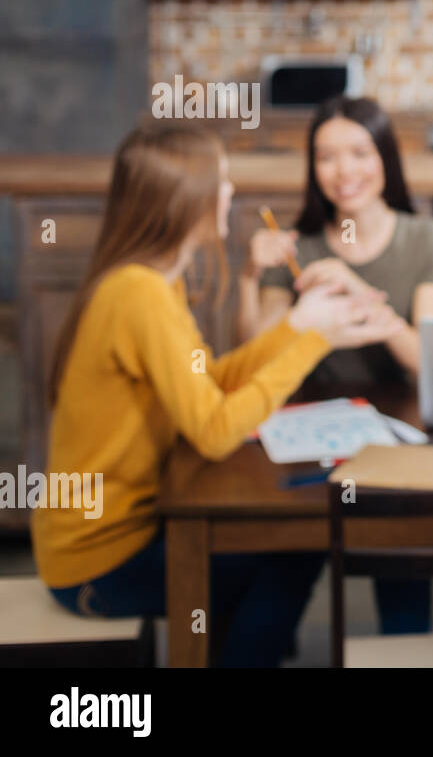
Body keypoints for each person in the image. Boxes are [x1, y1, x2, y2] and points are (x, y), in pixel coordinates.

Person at [32, 123, 401, 667]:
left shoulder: (151, 283)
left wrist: (298, 327)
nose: (230, 192)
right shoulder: (140, 295)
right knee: (293, 553)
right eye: (222, 181)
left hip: (115, 537)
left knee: (280, 553)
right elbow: (214, 429)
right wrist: (314, 341)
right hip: (99, 563)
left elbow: (208, 380)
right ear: (187, 200)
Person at [236, 95, 433, 634]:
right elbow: (253, 358)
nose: (344, 171)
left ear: (385, 158)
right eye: (326, 157)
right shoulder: (294, 246)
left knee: (403, 594)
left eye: (359, 152)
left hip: (401, 444)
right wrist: (247, 276)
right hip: (307, 449)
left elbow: (432, 365)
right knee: (276, 590)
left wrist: (361, 293)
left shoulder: (424, 237)